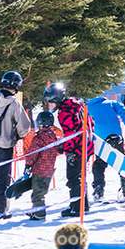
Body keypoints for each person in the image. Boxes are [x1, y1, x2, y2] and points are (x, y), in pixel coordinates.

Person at [43, 83, 93, 218]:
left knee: (73, 178)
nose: (50, 105)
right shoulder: (76, 105)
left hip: (77, 149)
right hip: (85, 145)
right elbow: (89, 123)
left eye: (51, 102)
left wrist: (67, 149)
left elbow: (71, 133)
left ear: (57, 99)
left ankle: (77, 208)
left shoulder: (65, 111)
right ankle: (82, 205)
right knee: (80, 176)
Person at [86, 93, 125, 201]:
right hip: (116, 136)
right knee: (121, 162)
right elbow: (123, 112)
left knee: (99, 165)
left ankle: (98, 189)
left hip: (100, 139)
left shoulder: (88, 107)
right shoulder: (112, 103)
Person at [0, 71, 31, 219]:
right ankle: (0, 209)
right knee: (2, 178)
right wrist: (17, 135)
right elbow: (25, 127)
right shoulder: (14, 103)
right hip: (4, 146)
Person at [26, 110, 61, 220]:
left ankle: (39, 213)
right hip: (49, 170)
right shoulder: (53, 137)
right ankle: (36, 210)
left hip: (39, 170)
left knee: (37, 193)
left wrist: (28, 165)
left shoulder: (39, 138)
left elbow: (32, 153)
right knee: (42, 191)